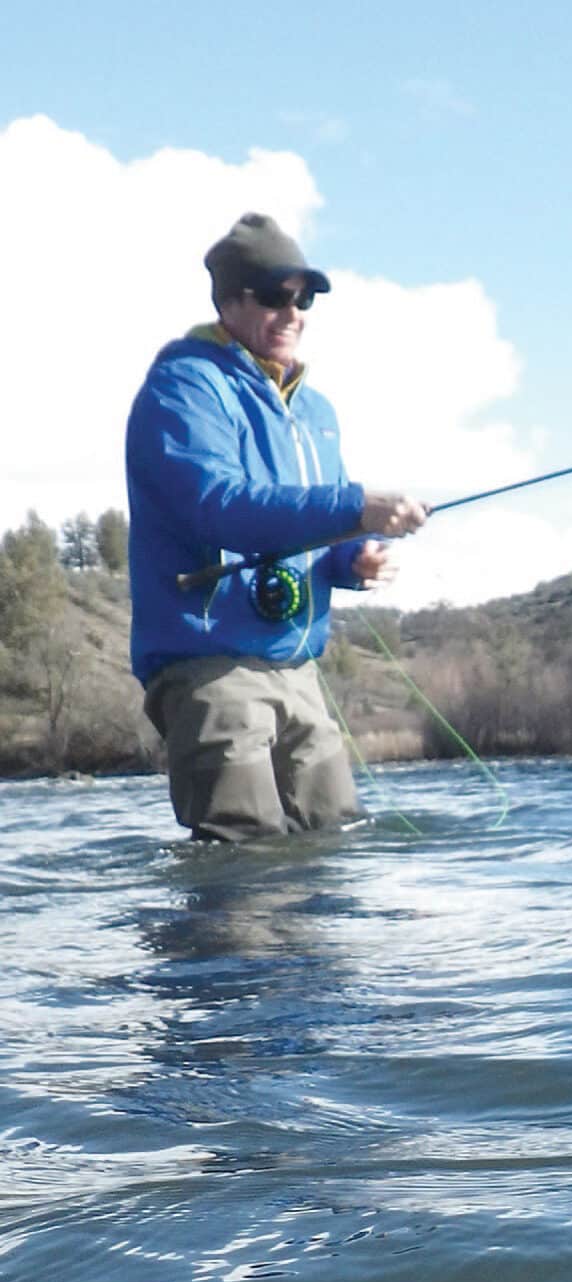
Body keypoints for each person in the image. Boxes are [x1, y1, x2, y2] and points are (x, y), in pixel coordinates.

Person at [125, 212, 429, 841]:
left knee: (335, 841)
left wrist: (353, 560)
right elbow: (218, 504)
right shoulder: (184, 386)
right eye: (273, 296)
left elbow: (319, 533)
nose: (294, 312)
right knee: (242, 860)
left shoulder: (316, 411)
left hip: (298, 668)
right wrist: (354, 507)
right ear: (229, 301)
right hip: (207, 663)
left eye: (305, 298)